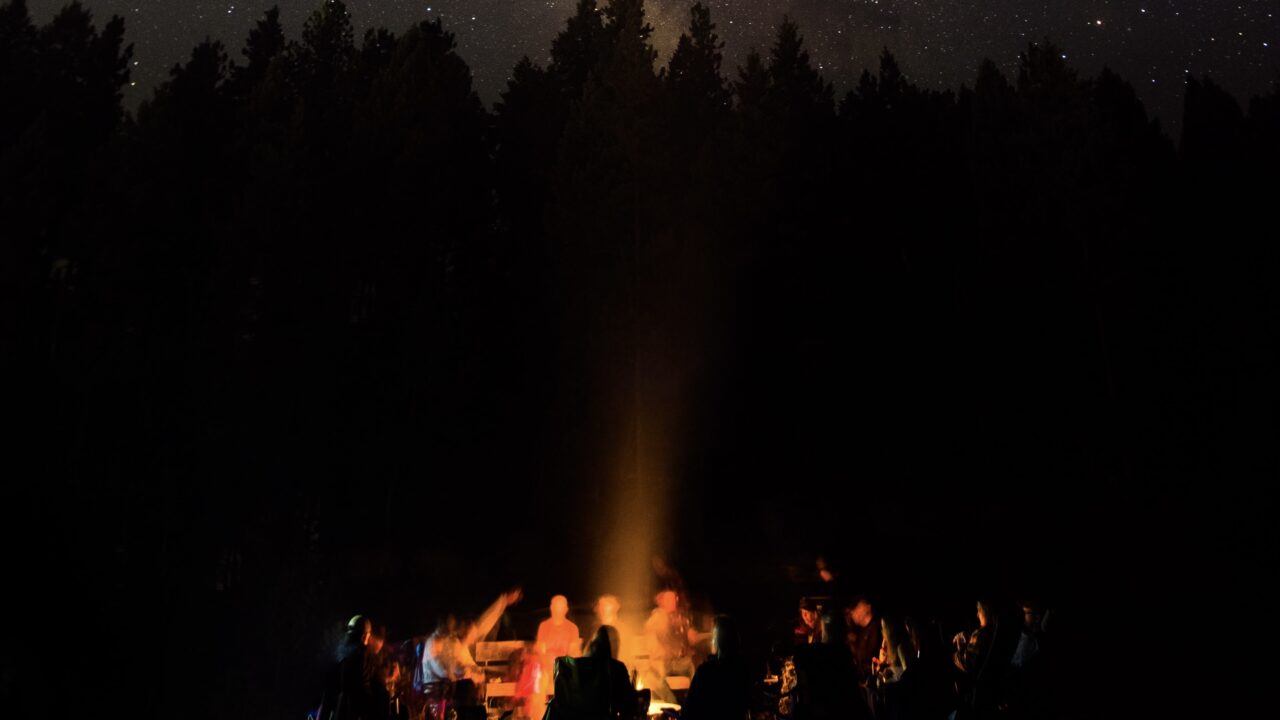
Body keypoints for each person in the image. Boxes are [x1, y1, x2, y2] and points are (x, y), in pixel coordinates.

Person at [421, 588, 523, 717]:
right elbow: (452, 670)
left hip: (457, 695)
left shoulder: (458, 644)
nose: (475, 636)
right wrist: (475, 673)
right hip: (441, 696)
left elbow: (482, 625)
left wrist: (503, 602)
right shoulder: (442, 643)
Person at [547, 626, 640, 720]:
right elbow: (628, 707)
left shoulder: (575, 667)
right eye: (616, 642)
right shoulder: (616, 668)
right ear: (612, 644)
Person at [317, 615, 390, 720]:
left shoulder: (338, 651)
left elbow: (328, 692)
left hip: (337, 710)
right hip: (353, 711)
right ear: (364, 636)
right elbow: (364, 688)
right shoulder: (362, 654)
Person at [682, 616, 752, 720]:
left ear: (718, 641)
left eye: (714, 636)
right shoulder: (743, 670)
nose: (711, 640)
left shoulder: (705, 672)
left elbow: (688, 712)